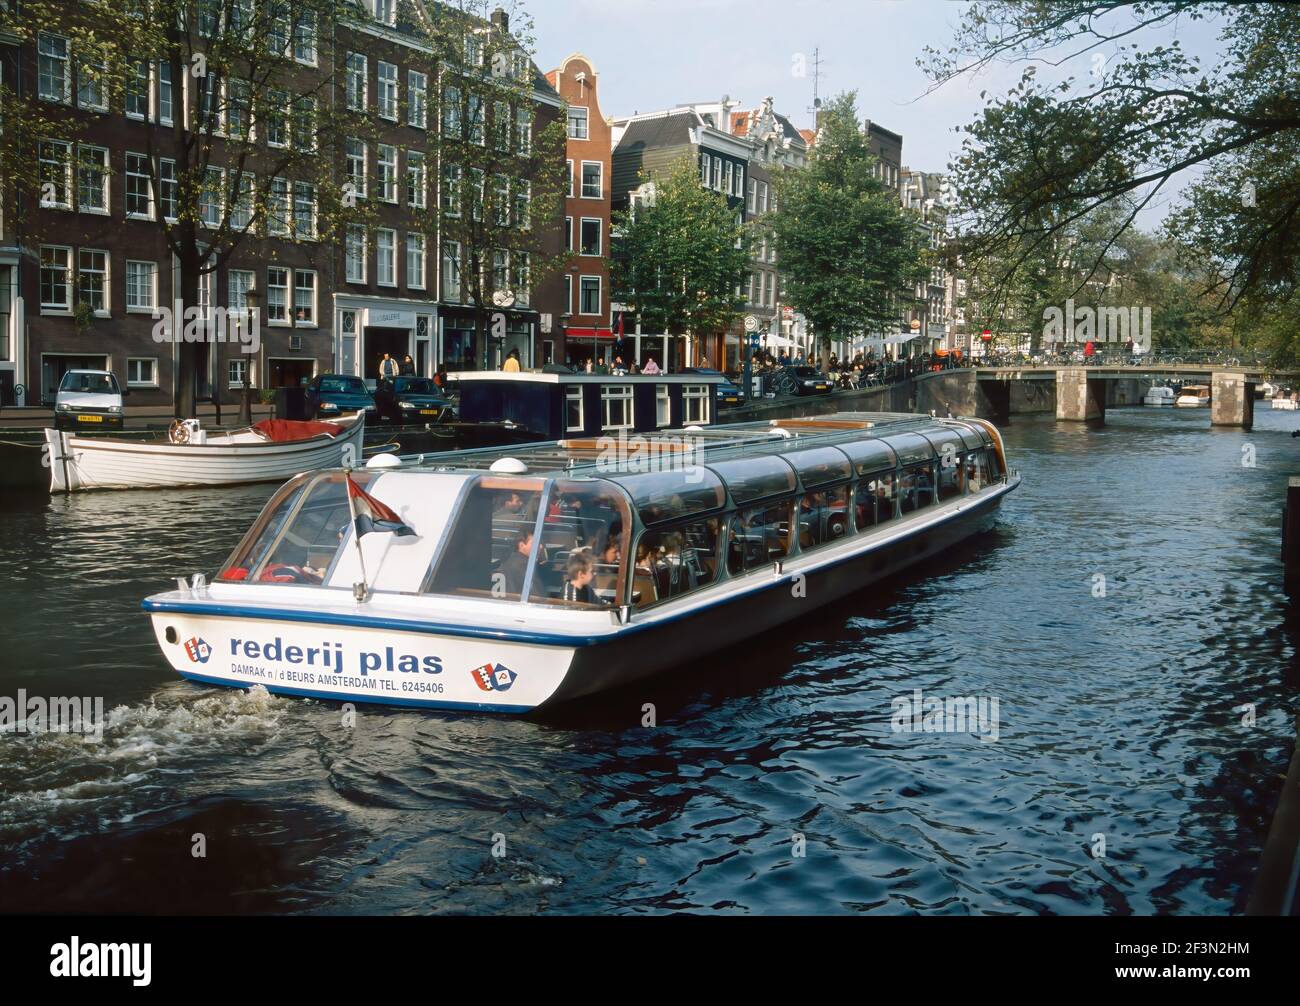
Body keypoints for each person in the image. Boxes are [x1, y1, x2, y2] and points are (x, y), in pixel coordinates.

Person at [499, 529, 533, 595]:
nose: (540, 546)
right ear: (522, 545)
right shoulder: (523, 566)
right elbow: (538, 597)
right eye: (534, 543)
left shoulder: (510, 561)